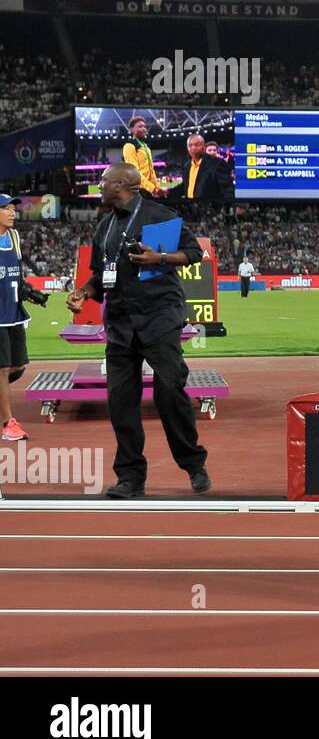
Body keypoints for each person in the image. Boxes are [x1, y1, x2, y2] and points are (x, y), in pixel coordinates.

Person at [65, 163, 210, 498]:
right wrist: (83, 294)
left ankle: (193, 464)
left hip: (158, 317)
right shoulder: (104, 226)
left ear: (121, 185)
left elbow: (194, 252)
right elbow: (101, 277)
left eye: (102, 182)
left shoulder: (159, 216)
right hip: (120, 323)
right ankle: (130, 477)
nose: (98, 186)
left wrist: (159, 258)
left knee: (170, 390)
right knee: (121, 401)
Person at [0, 193, 45, 442]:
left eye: (13, 208)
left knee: (17, 366)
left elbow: (14, 274)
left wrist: (28, 291)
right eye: (5, 208)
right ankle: (8, 424)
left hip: (14, 313)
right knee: (3, 369)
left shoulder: (14, 237)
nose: (12, 212)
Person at [182, 134, 235, 201]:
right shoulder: (187, 165)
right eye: (190, 145)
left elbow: (228, 191)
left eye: (197, 145)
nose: (193, 148)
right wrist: (168, 191)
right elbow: (185, 186)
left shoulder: (217, 164)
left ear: (204, 147)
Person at [120, 116, 163, 197]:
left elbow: (151, 171)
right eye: (140, 126)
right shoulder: (129, 146)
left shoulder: (145, 147)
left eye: (144, 126)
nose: (143, 129)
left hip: (148, 190)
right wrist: (152, 188)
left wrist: (157, 187)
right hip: (138, 191)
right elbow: (134, 173)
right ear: (131, 130)